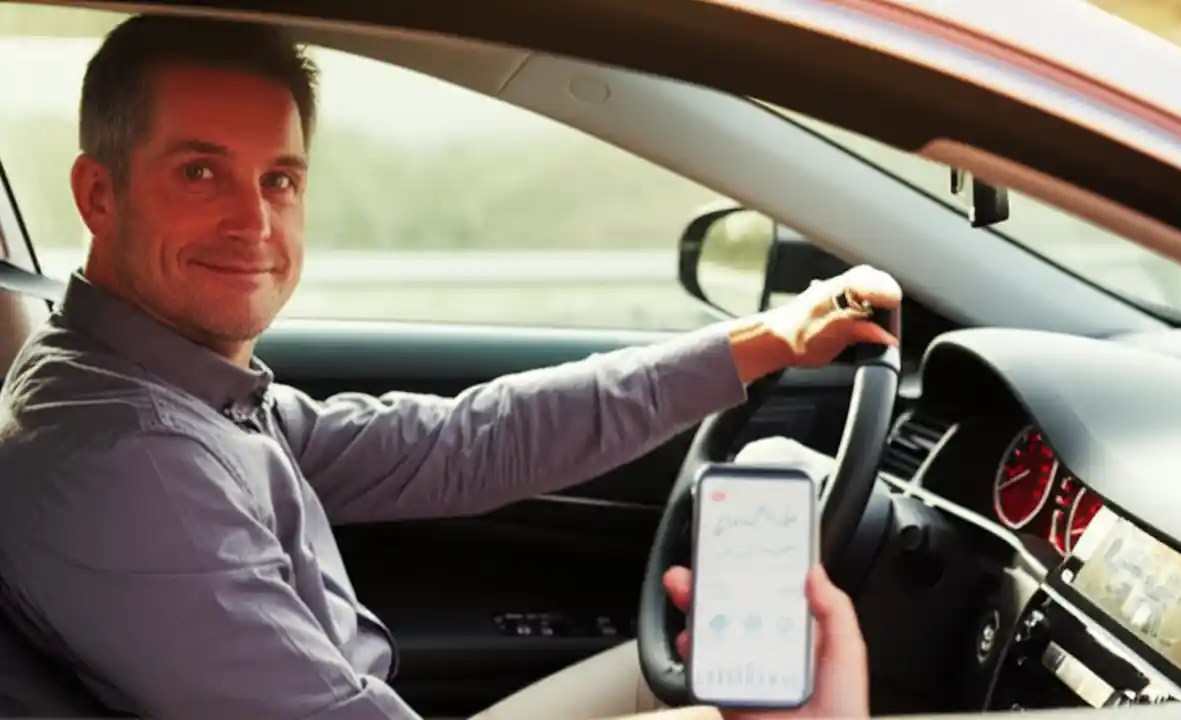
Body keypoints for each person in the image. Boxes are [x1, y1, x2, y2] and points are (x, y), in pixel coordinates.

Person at [0, 13, 894, 720]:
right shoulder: (127, 455)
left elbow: (459, 443)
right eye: (200, 173)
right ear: (98, 194)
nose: (256, 224)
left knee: (701, 681)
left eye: (280, 179)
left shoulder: (173, 388)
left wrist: (773, 338)